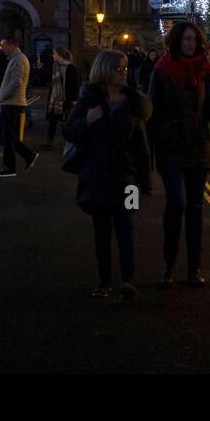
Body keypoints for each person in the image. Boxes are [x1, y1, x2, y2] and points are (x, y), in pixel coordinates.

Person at [148, 21, 210, 285]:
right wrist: (147, 153)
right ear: (176, 41)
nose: (191, 44)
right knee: (177, 203)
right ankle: (169, 267)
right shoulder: (161, 70)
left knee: (195, 209)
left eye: (194, 40)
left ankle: (194, 269)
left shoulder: (204, 70)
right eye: (186, 39)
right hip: (171, 146)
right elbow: (152, 113)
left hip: (198, 145)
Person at [63, 51, 152, 299]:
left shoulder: (133, 103)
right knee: (101, 232)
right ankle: (104, 282)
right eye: (118, 69)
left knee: (127, 228)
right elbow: (69, 132)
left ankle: (127, 280)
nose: (123, 72)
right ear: (104, 70)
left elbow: (141, 146)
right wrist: (88, 121)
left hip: (128, 179)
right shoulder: (89, 100)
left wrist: (145, 180)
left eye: (125, 68)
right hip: (96, 178)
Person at [0, 37, 37, 178]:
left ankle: (12, 166)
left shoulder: (18, 59)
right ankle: (25, 157)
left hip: (12, 102)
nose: (2, 48)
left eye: (4, 45)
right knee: (9, 135)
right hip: (12, 102)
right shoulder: (16, 58)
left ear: (12, 45)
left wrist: (2, 96)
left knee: (8, 135)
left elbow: (16, 82)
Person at [46, 47, 80, 149]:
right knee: (52, 121)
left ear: (60, 55)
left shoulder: (70, 67)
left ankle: (70, 144)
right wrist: (40, 69)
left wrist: (74, 100)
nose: (53, 56)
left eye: (54, 54)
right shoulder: (54, 66)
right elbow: (47, 79)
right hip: (55, 99)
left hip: (66, 99)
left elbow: (74, 85)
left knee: (66, 123)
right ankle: (49, 144)